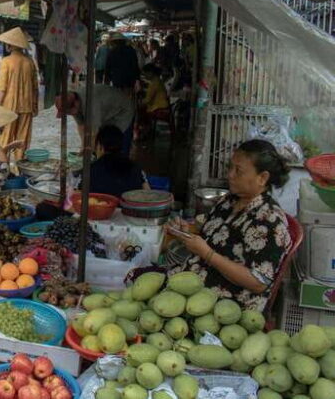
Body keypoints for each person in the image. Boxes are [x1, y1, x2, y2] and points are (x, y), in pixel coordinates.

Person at [168, 140, 291, 311]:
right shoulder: (228, 201)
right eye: (230, 167)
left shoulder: (269, 221)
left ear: (262, 178)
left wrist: (207, 253)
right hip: (191, 285)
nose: (230, 175)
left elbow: (258, 283)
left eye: (238, 171)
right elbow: (212, 238)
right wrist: (187, 232)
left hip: (225, 305)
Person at [56, 84, 136, 156]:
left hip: (123, 112)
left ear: (75, 105)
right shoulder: (73, 99)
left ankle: (121, 167)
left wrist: (89, 149)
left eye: (68, 112)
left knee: (117, 143)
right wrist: (83, 145)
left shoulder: (92, 104)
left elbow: (95, 132)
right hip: (107, 113)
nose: (69, 114)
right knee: (101, 144)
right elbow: (81, 125)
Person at [0, 27, 39, 161]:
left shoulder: (6, 62)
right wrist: (35, 105)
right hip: (27, 106)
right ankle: (20, 167)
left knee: (6, 138)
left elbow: (2, 88)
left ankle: (3, 166)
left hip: (9, 107)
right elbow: (35, 88)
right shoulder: (29, 62)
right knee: (22, 139)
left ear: (10, 45)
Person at [88, 125, 149, 197]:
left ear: (101, 146)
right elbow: (148, 193)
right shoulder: (135, 167)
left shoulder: (91, 170)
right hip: (129, 207)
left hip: (100, 207)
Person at [137, 63, 170, 140]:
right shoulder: (157, 81)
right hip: (161, 106)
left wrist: (138, 104)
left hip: (159, 108)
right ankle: (146, 130)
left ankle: (144, 131)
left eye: (145, 74)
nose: (145, 76)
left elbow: (147, 100)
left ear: (150, 72)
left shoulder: (154, 83)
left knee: (140, 112)